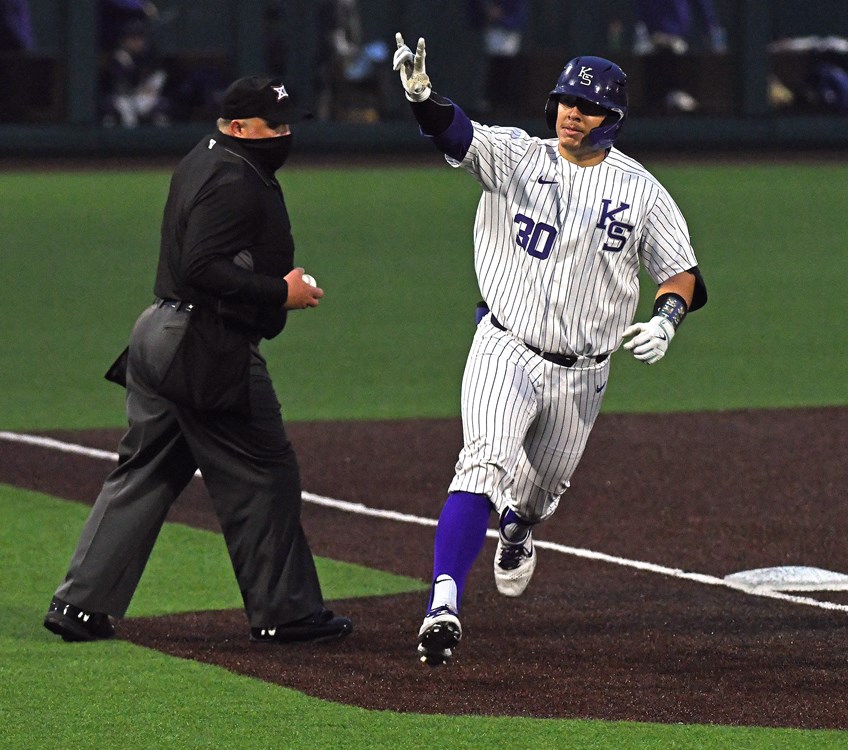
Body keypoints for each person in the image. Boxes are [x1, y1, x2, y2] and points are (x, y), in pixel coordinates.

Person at [393, 34, 707, 666]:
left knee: (537, 496)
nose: (572, 114)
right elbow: (456, 137)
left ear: (612, 120)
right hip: (504, 347)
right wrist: (424, 97)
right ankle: (443, 602)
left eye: (587, 107)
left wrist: (668, 319)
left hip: (584, 374)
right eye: (566, 101)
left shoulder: (641, 191)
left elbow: (684, 274)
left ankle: (518, 528)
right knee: (479, 464)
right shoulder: (514, 156)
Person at [43, 76, 353, 646]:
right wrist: (277, 293)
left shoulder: (204, 158)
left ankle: (79, 605)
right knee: (265, 471)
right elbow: (202, 268)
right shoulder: (233, 177)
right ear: (238, 127)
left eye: (288, 123)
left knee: (147, 470)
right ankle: (284, 613)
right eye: (273, 126)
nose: (285, 135)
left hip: (160, 332)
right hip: (203, 342)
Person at [99, 18, 172, 127]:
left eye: (140, 38)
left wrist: (150, 88)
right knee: (110, 109)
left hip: (144, 98)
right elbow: (118, 86)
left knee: (162, 107)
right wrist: (126, 67)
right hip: (121, 99)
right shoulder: (118, 58)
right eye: (133, 38)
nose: (137, 42)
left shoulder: (149, 57)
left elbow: (158, 78)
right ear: (124, 40)